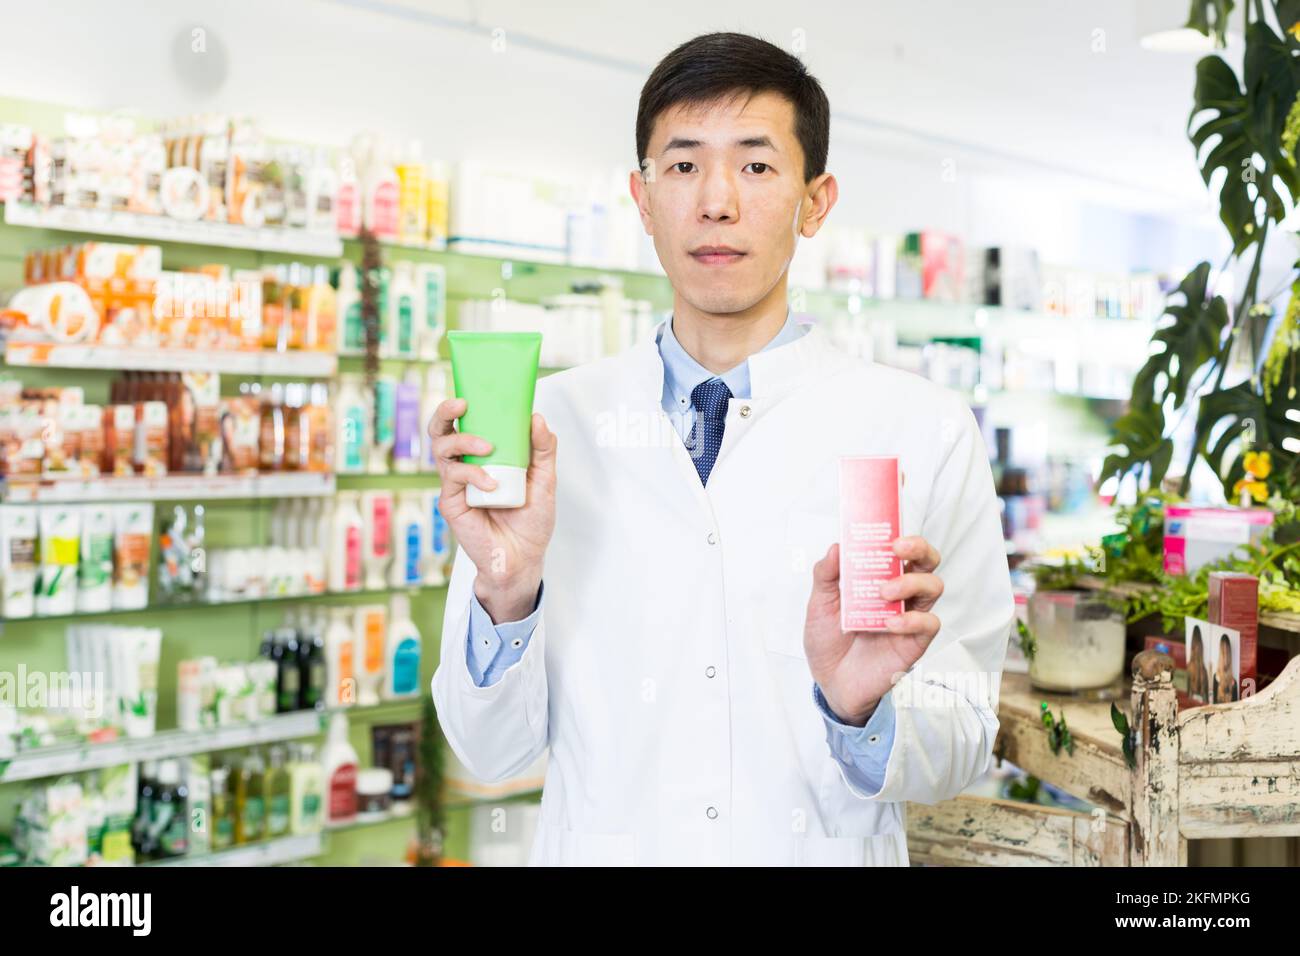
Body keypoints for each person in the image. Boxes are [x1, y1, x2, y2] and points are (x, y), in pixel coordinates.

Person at [429, 31, 1014, 866]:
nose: (716, 202)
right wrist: (507, 592)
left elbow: (968, 728)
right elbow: (488, 752)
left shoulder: (923, 426)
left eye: (756, 165)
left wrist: (863, 713)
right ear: (641, 197)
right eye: (682, 165)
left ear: (816, 201)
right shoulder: (547, 424)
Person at [1213, 632, 1238, 703]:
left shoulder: (1234, 683)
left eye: (1227, 653)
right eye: (1223, 653)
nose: (1226, 658)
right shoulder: (1215, 677)